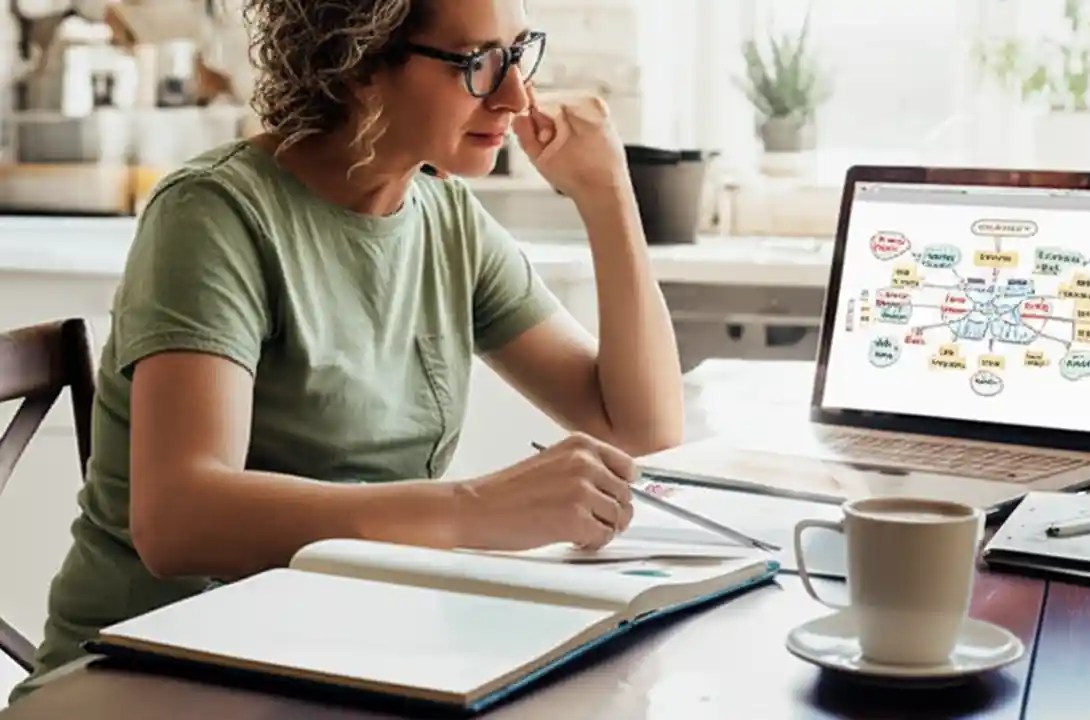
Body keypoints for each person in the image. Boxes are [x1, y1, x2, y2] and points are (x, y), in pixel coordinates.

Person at [8, 0, 684, 703]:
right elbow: (177, 518)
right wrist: (475, 510)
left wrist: (609, 196)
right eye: (477, 63)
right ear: (357, 64)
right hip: (142, 674)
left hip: (326, 656)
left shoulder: (445, 217)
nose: (515, 96)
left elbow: (639, 428)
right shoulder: (215, 214)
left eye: (519, 54)